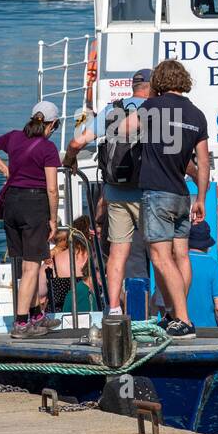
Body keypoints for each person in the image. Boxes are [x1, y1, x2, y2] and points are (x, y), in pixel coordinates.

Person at [128, 59, 210, 339]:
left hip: (157, 193)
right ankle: (174, 316)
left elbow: (123, 130)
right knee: (182, 256)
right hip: (182, 194)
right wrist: (201, 197)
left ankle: (184, 320)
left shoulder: (151, 107)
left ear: (159, 82)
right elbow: (203, 162)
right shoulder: (197, 115)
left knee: (160, 258)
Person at [62, 68, 152, 315]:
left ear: (133, 86)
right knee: (157, 257)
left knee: (118, 255)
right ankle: (152, 315)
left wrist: (69, 161)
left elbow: (76, 143)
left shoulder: (113, 110)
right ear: (152, 87)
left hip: (116, 194)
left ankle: (113, 310)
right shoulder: (158, 110)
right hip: (149, 194)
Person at [0, 101, 62, 338]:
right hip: (34, 205)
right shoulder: (48, 148)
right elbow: (52, 189)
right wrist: (53, 220)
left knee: (25, 265)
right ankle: (22, 323)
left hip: (12, 203)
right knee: (31, 267)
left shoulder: (14, 137)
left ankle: (36, 315)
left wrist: (6, 170)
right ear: (53, 124)